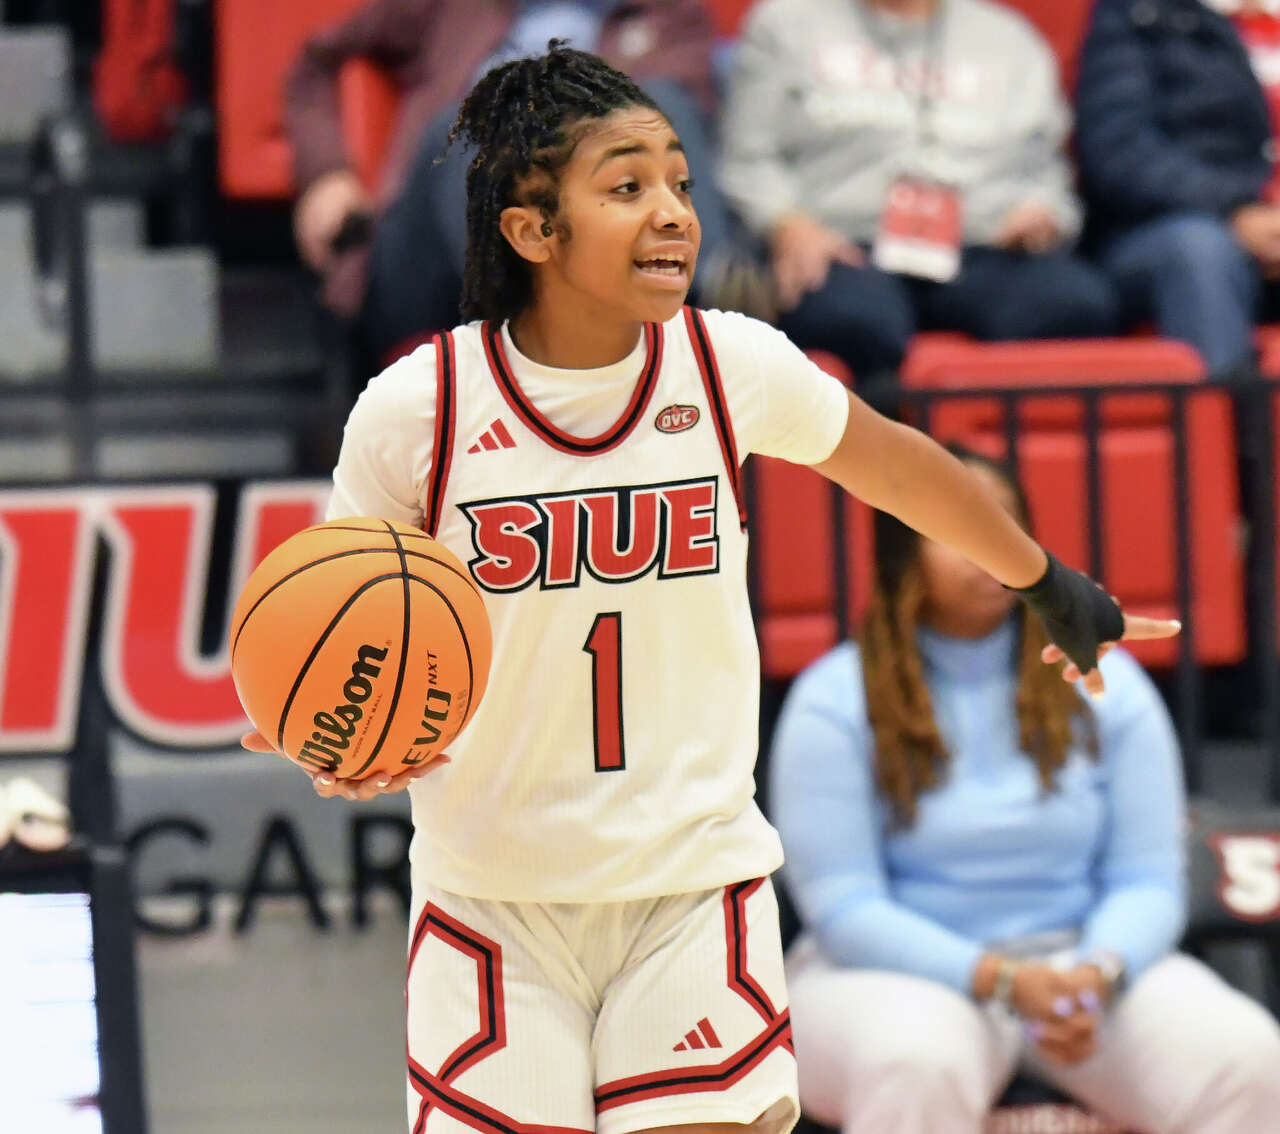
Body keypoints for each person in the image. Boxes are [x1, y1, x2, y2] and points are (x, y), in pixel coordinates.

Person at [244, 44, 1175, 1134]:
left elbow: (904, 467)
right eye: (626, 188)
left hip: (689, 890)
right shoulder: (420, 408)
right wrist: (329, 740)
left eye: (681, 184)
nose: (674, 214)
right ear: (532, 231)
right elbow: (331, 622)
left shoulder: (727, 366)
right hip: (490, 902)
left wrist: (1047, 583)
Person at [767, 448, 1280, 1134]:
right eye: (954, 525)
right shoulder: (833, 698)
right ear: (899, 552)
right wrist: (1001, 981)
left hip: (1079, 967)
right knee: (915, 1063)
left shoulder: (1107, 683)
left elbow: (1147, 877)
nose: (986, 547)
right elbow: (843, 905)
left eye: (1002, 524)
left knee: (1244, 1059)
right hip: (886, 975)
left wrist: (1099, 972)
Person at [283, 0, 743, 364]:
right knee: (479, 125)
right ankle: (540, 312)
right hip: (436, 260)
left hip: (597, 239)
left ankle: (702, 294)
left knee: (658, 112)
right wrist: (326, 173)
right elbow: (315, 63)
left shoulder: (669, 15)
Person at [718, 0, 1118, 390]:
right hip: (841, 244)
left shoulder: (1009, 38)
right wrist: (786, 222)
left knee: (1073, 304)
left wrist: (1043, 213)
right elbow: (747, 158)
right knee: (852, 323)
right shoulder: (785, 23)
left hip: (982, 243)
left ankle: (990, 454)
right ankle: (881, 452)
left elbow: (1047, 169)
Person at [1075, 0, 1280, 380]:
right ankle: (1230, 433)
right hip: (1172, 229)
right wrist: (1236, 209)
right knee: (1200, 251)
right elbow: (1120, 151)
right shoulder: (1140, 12)